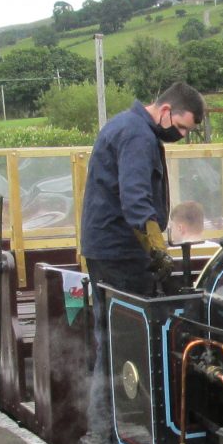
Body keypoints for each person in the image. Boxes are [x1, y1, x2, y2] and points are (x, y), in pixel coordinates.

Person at [79, 80, 205, 300]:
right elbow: (135, 198)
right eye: (182, 126)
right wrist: (158, 250)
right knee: (129, 328)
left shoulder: (123, 124)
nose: (183, 135)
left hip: (107, 247)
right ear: (166, 110)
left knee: (111, 325)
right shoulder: (138, 135)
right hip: (122, 252)